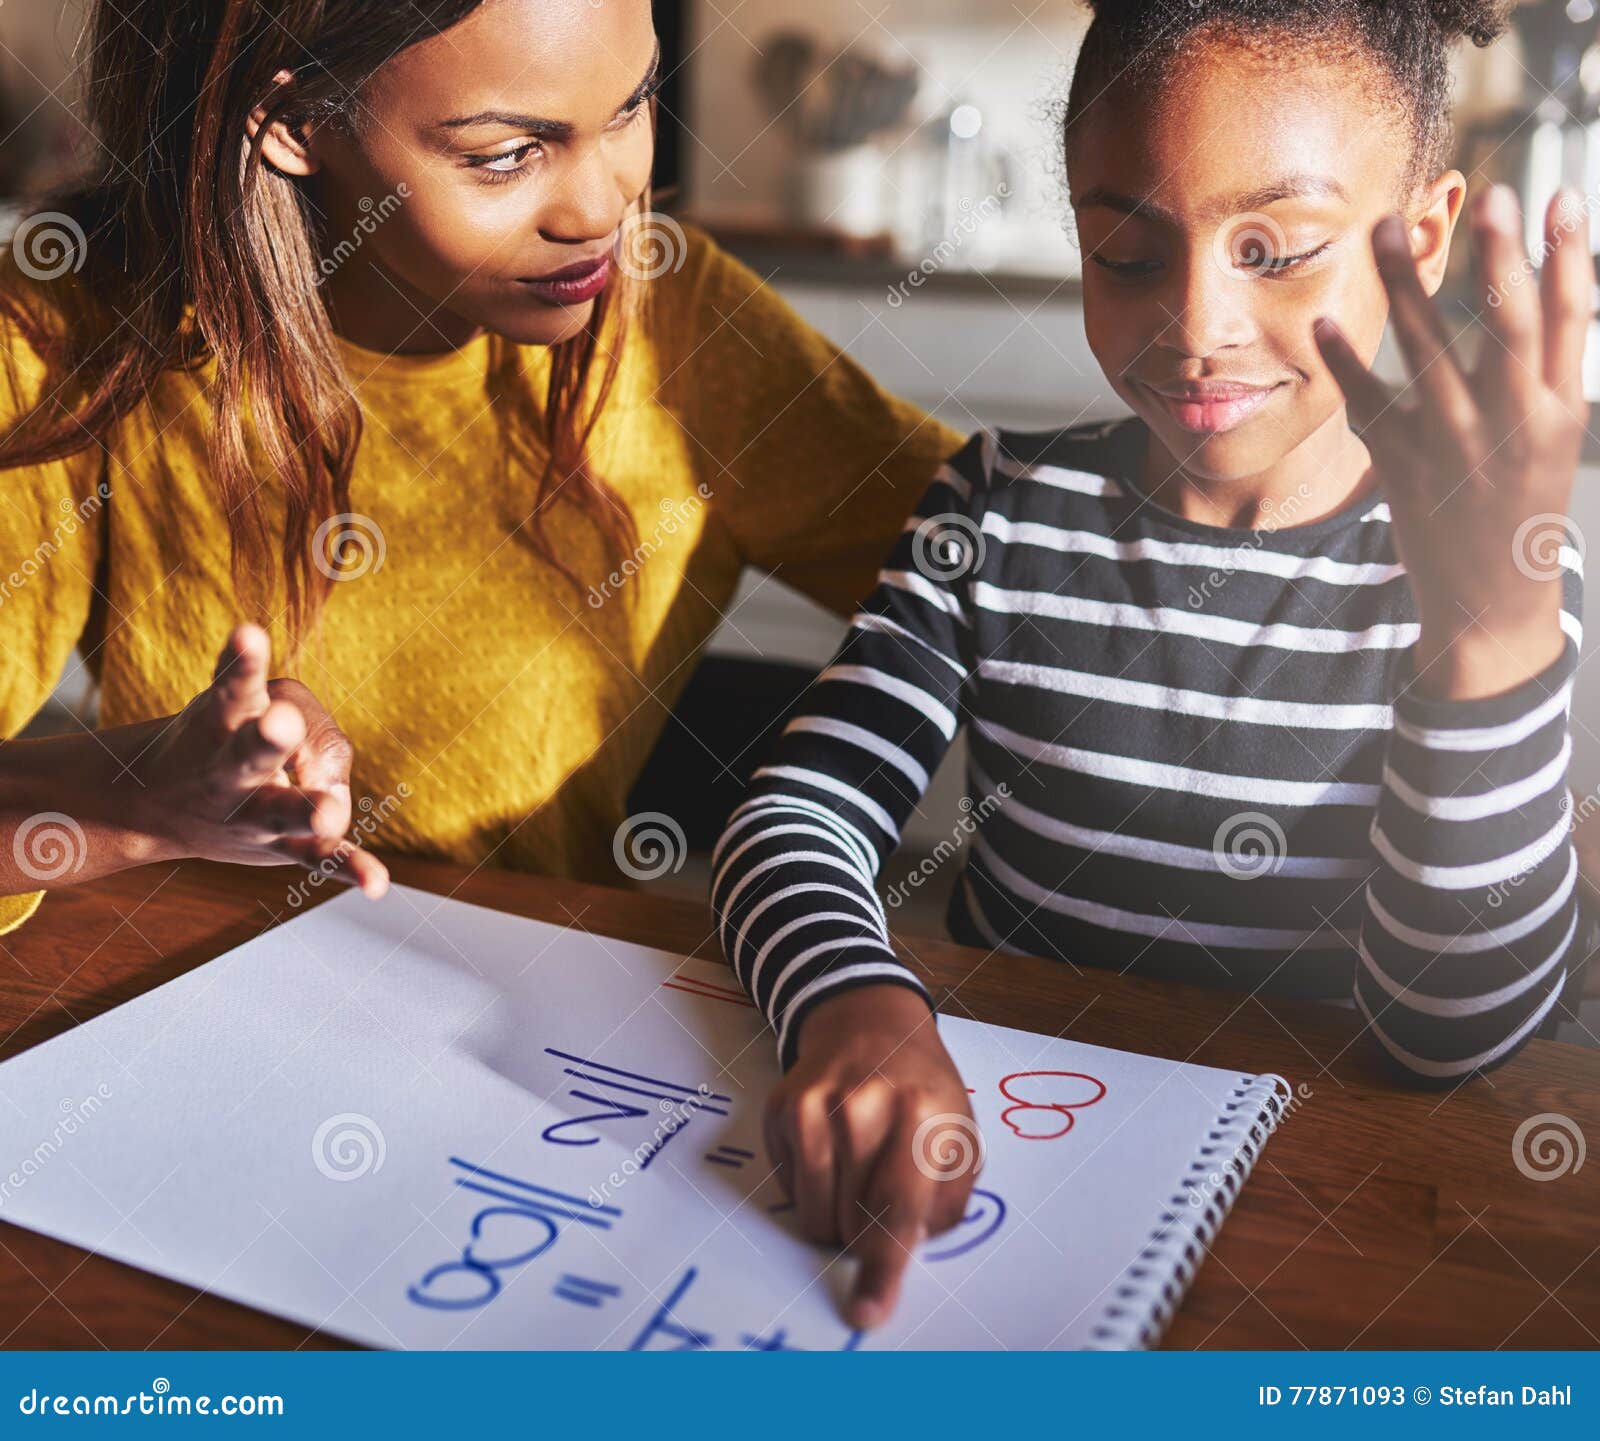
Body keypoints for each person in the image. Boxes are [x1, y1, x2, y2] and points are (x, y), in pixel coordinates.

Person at [712, 0, 1590, 1328]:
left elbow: (1445, 1036)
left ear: (1420, 241)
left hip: (1325, 1225)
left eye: (1275, 252)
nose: (1195, 323)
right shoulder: (996, 505)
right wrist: (854, 1002)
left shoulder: (1482, 562)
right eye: (1125, 252)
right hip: (1014, 1186)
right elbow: (794, 814)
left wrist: (1489, 641)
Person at [0, 0, 962, 920]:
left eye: (632, 104)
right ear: (292, 125)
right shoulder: (63, 337)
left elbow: (1011, 578)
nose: (603, 207)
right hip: (166, 984)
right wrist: (134, 798)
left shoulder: (681, 326)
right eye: (507, 156)